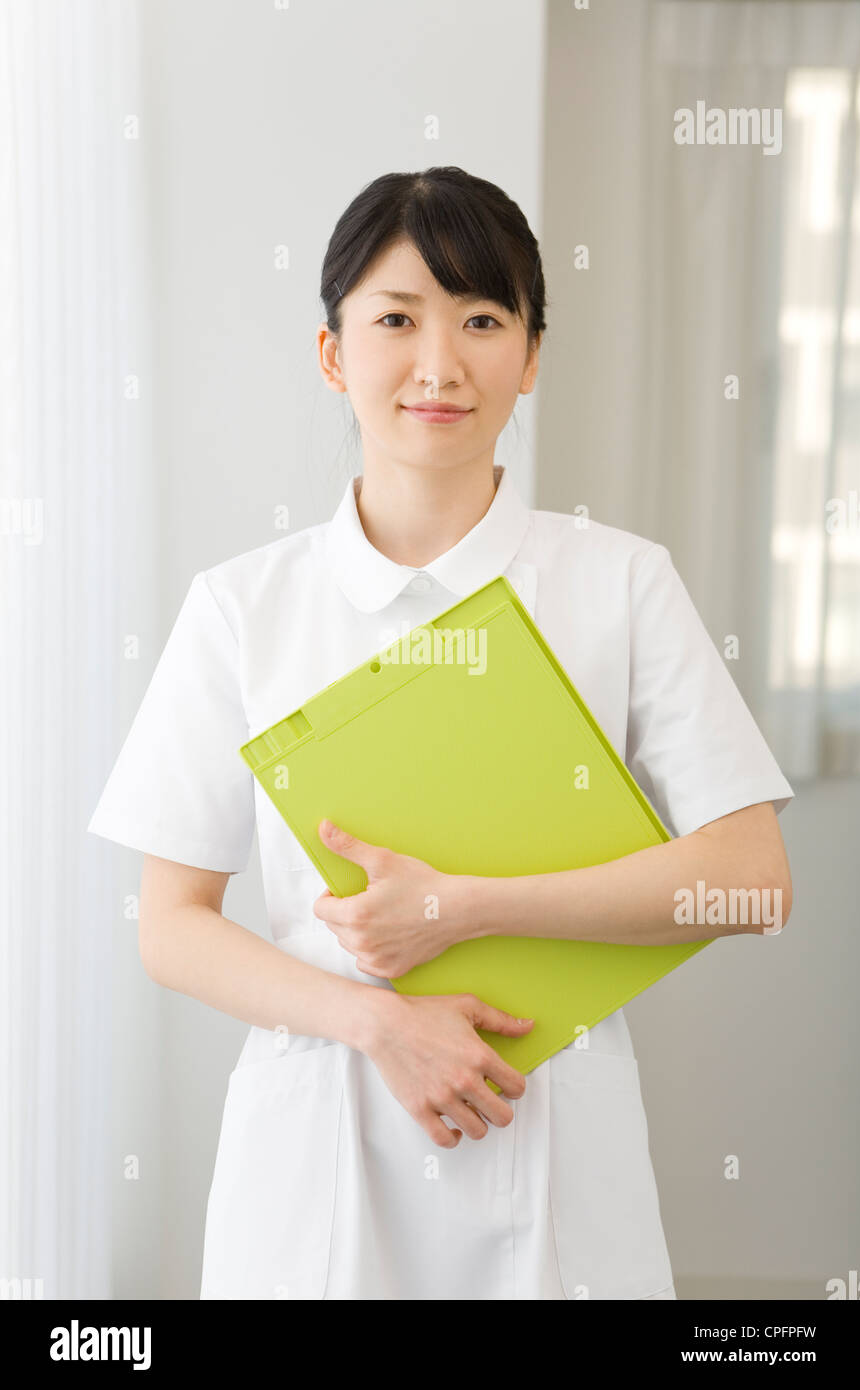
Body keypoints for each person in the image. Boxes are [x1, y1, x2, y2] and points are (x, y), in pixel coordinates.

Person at [87, 166, 795, 1300]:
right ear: (331, 354)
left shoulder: (619, 583)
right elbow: (170, 925)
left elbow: (750, 879)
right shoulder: (241, 605)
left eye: (481, 319)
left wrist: (464, 909)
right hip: (318, 1124)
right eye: (395, 319)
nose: (438, 363)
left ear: (530, 355)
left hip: (554, 1128)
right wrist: (376, 1022)